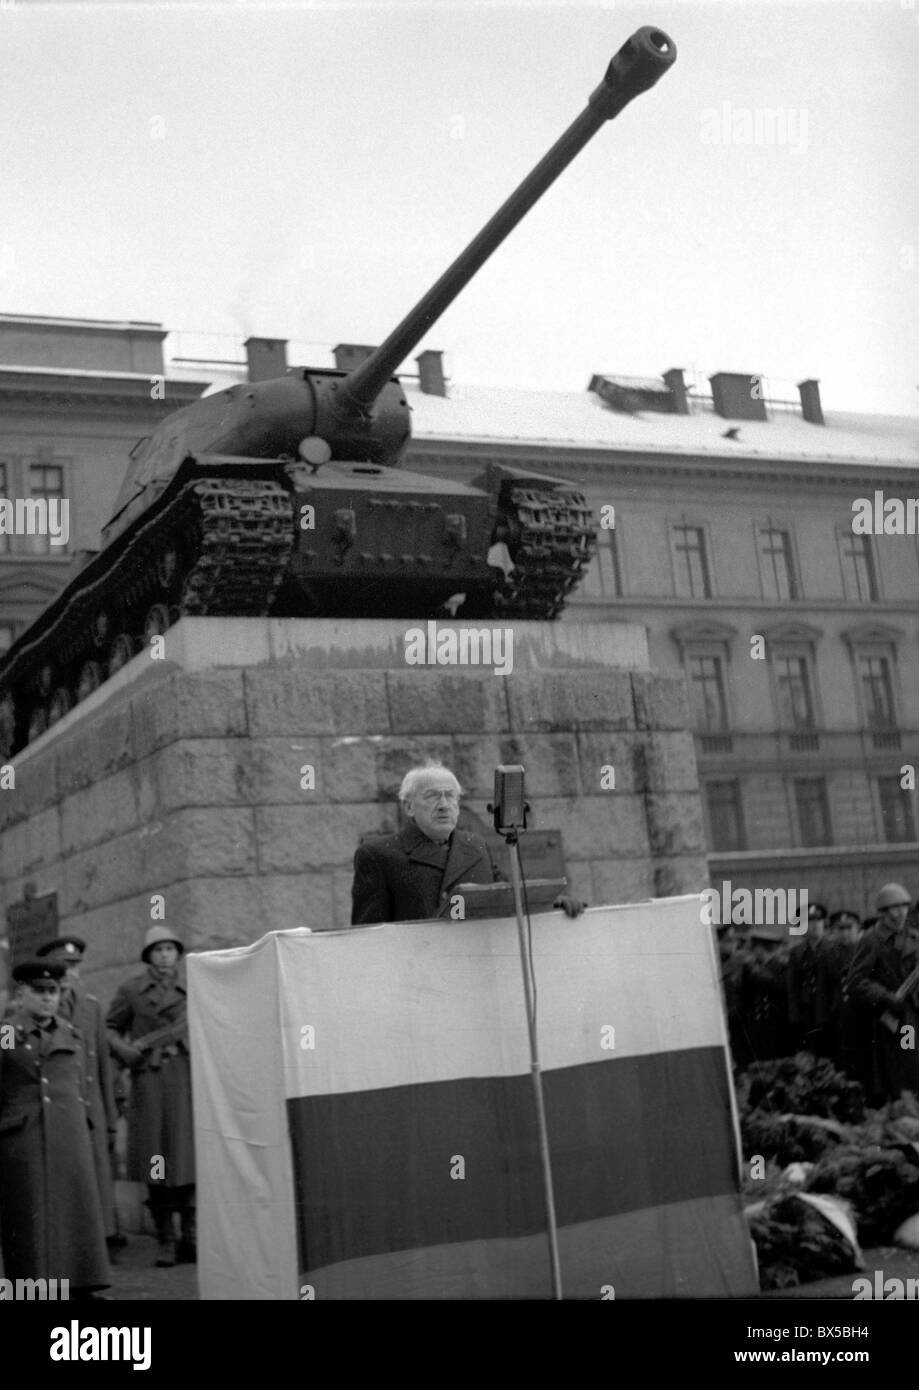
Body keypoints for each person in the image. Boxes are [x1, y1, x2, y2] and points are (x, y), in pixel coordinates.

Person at [351, 762, 585, 926]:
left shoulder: (475, 845)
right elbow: (369, 937)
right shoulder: (378, 855)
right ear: (409, 807)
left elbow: (504, 895)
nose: (443, 805)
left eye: (450, 796)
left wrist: (553, 904)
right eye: (432, 796)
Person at [0, 958, 110, 1296]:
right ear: (23, 993)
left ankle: (81, 1284)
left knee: (76, 1209)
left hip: (69, 1133)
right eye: (39, 991)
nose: (48, 998)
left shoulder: (70, 1033)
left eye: (54, 991)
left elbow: (83, 1084)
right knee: (29, 1217)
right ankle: (32, 1288)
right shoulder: (6, 1033)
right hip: (24, 1135)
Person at [106, 926, 195, 1267]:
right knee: (157, 1158)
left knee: (187, 1157)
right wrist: (126, 1051)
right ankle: (165, 1237)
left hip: (185, 1078)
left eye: (170, 949)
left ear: (177, 954)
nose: (164, 955)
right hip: (151, 1081)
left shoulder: (193, 987)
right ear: (148, 956)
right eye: (157, 950)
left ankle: (190, 1234)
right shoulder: (131, 990)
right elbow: (110, 1028)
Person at [36, 935, 119, 1253]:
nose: (72, 973)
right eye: (64, 967)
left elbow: (102, 1069)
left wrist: (109, 1118)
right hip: (59, 1108)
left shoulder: (91, 1008)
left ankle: (96, 1251)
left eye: (75, 967)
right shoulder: (39, 1009)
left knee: (96, 1180)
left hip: (91, 1108)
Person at [843, 883, 919, 1105]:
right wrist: (886, 996)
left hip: (915, 1010)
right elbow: (856, 981)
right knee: (906, 1062)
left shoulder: (914, 937)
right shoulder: (872, 940)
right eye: (894, 909)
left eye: (904, 907)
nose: (901, 913)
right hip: (894, 1016)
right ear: (883, 914)